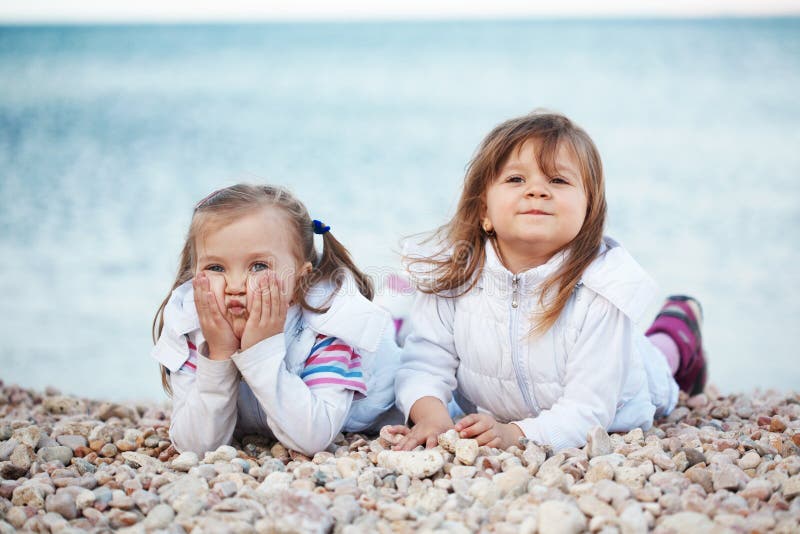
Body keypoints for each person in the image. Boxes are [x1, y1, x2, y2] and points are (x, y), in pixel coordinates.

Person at [388, 111, 707, 452]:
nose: (537, 190)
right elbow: (423, 363)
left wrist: (516, 434)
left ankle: (681, 324)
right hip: (511, 403)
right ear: (484, 212)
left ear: (589, 211)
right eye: (515, 180)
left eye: (558, 181)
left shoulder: (603, 289)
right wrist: (431, 416)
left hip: (624, 386)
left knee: (658, 362)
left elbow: (589, 409)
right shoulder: (455, 276)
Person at [151, 184, 400, 456]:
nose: (235, 285)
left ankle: (398, 318)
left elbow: (314, 439)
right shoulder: (193, 325)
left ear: (300, 278)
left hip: (386, 394)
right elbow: (195, 447)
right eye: (215, 268)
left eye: (259, 266)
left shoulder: (326, 327)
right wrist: (219, 355)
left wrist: (261, 351)